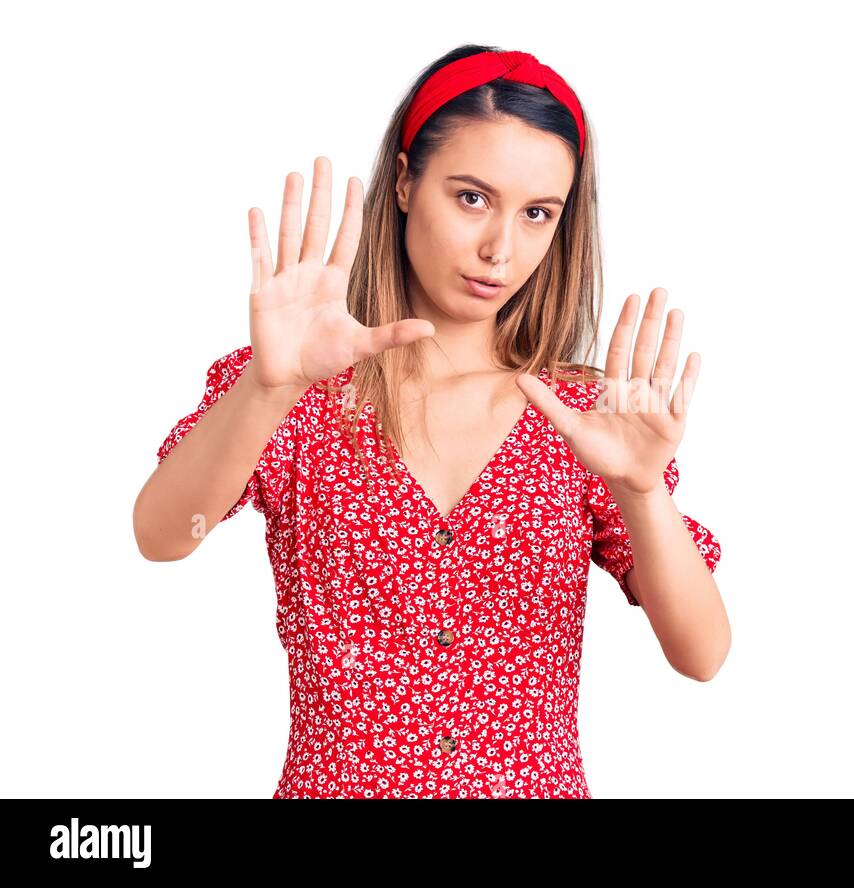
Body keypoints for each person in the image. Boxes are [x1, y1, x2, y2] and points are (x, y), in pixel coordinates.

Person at [132, 44, 727, 799]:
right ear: (406, 181)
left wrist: (642, 491)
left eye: (537, 214)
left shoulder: (586, 421)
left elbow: (702, 655)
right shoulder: (300, 392)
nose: (500, 249)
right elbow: (163, 534)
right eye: (472, 198)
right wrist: (266, 389)